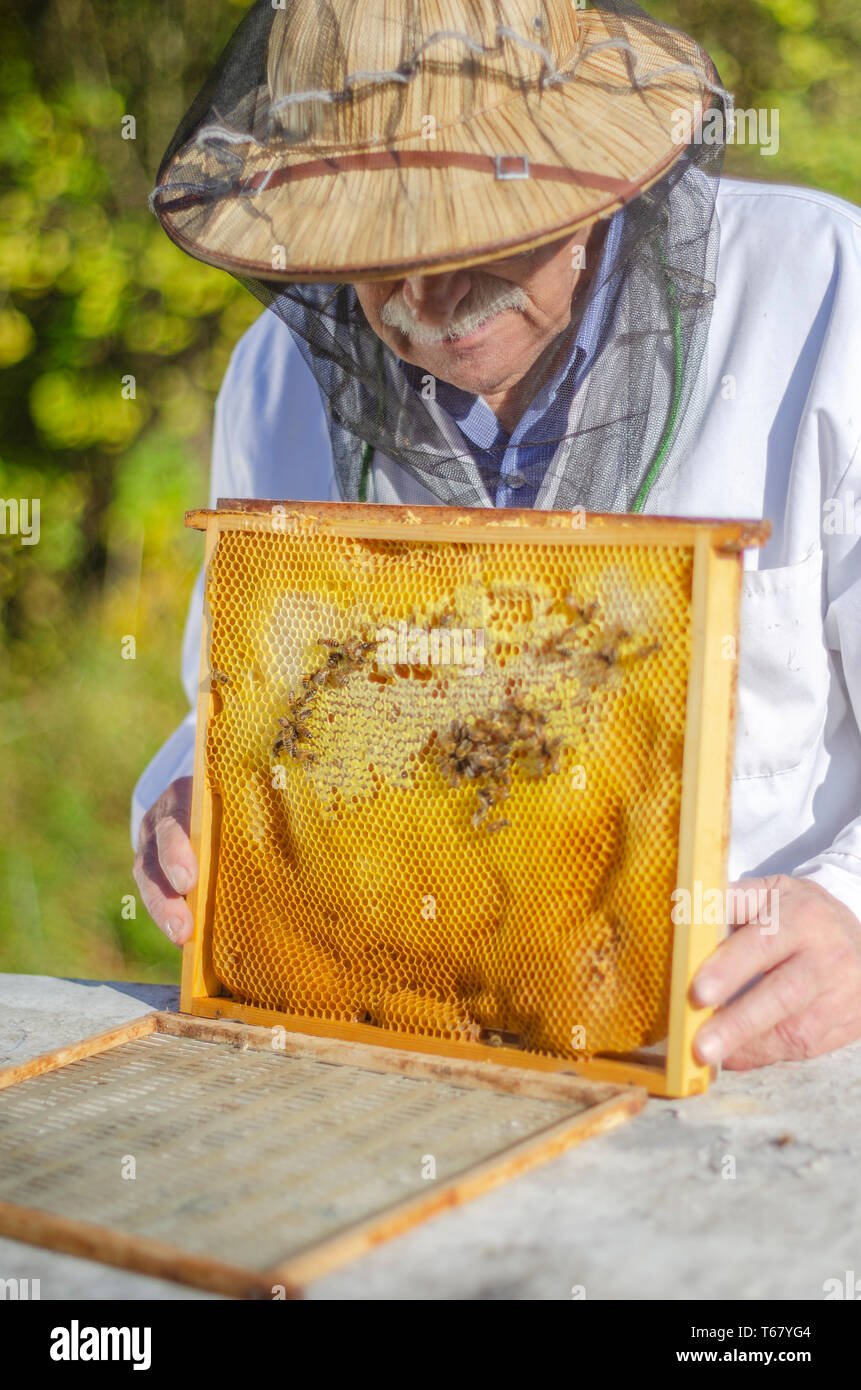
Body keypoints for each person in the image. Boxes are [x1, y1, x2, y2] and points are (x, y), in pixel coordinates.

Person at [135, 0, 861, 1071]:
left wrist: (850, 917)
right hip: (381, 1061)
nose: (423, 295)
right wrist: (192, 805)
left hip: (751, 1063)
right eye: (375, 245)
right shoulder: (275, 378)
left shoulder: (826, 299)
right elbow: (243, 704)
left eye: (472, 231)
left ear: (592, 174)